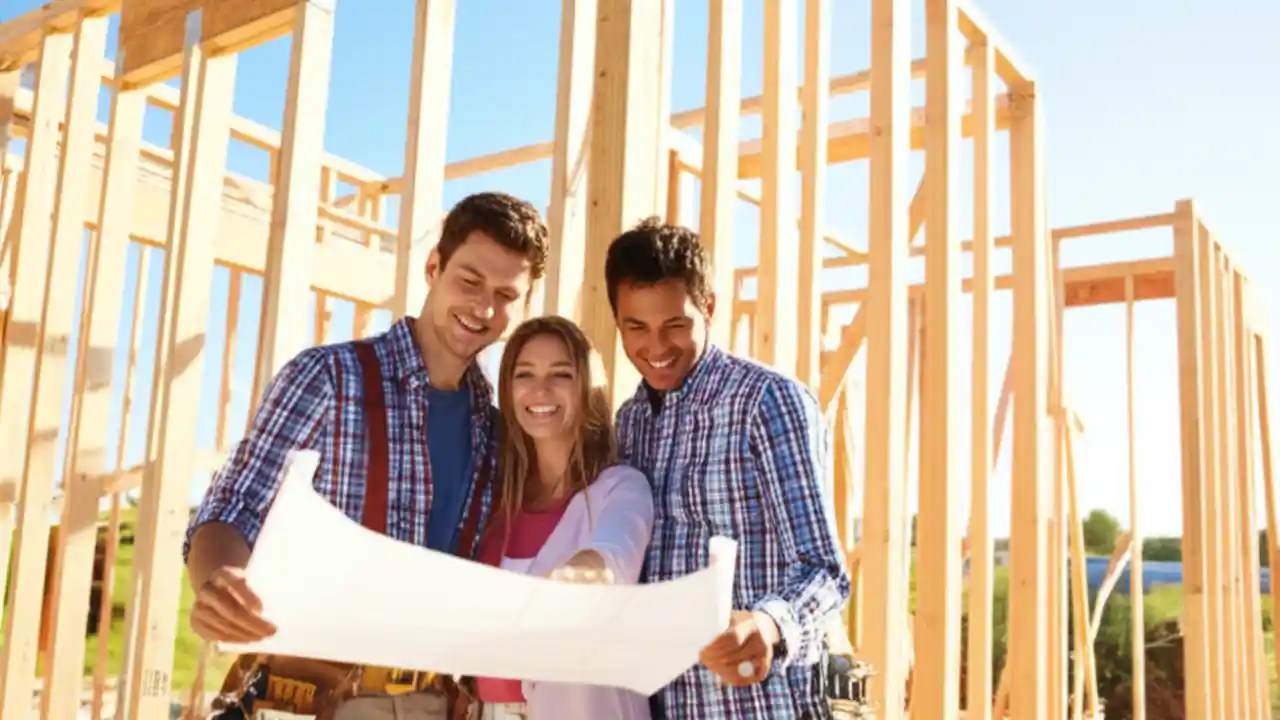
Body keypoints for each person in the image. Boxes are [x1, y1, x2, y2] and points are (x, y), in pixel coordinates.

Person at [183, 191, 548, 718]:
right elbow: (233, 508)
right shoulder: (329, 379)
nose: (483, 308)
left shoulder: (496, 432)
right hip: (307, 693)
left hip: (432, 702)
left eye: (506, 294)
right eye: (469, 281)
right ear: (433, 266)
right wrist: (219, 583)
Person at [606, 217, 851, 718]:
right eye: (637, 327)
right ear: (617, 321)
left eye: (675, 324)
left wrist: (769, 625)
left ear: (709, 307)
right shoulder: (628, 424)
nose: (656, 347)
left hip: (764, 707)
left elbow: (825, 571)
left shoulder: (768, 402)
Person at [472, 315, 654, 720]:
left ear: (588, 388)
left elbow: (614, 551)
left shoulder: (619, 488)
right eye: (524, 374)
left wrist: (580, 577)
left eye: (561, 374)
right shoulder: (496, 502)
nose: (540, 390)